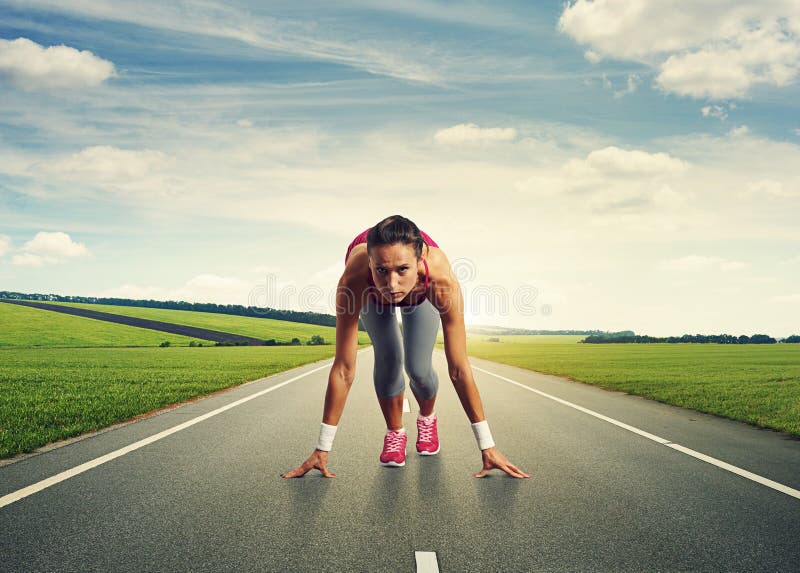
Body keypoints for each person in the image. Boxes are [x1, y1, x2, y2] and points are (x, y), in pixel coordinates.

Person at [281, 215, 530, 479]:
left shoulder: (441, 282)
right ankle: (395, 432)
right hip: (370, 295)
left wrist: (487, 445)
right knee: (388, 361)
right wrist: (322, 448)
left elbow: (458, 368)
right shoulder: (354, 280)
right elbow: (343, 369)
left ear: (420, 259)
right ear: (369, 262)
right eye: (381, 270)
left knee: (419, 369)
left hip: (420, 294)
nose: (392, 284)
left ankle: (427, 417)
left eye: (402, 269)